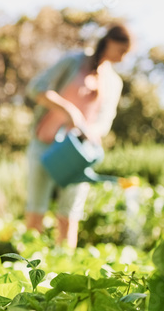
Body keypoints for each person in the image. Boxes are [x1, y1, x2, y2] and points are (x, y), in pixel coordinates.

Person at [24, 24, 132, 247]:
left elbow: (105, 120)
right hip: (45, 142)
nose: (123, 57)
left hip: (76, 152)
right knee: (36, 208)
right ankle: (26, 265)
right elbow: (36, 88)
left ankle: (64, 267)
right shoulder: (73, 62)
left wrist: (89, 131)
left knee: (70, 213)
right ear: (110, 42)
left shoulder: (113, 82)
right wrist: (68, 110)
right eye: (121, 50)